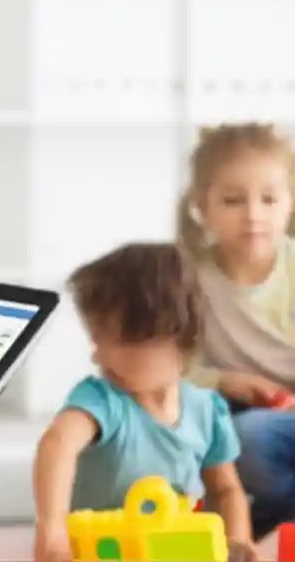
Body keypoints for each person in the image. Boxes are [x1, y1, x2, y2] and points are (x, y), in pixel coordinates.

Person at [32, 243, 257, 562]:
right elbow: (58, 444)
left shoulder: (206, 410)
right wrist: (52, 528)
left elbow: (225, 490)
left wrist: (237, 540)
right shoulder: (101, 400)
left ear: (174, 335)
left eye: (114, 341)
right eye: (95, 340)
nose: (97, 355)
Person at [177, 122, 295, 536]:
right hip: (233, 416)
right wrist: (226, 380)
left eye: (269, 199)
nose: (253, 215)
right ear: (201, 204)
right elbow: (171, 368)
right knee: (245, 438)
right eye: (232, 200)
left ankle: (257, 519)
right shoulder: (188, 277)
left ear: (291, 202)